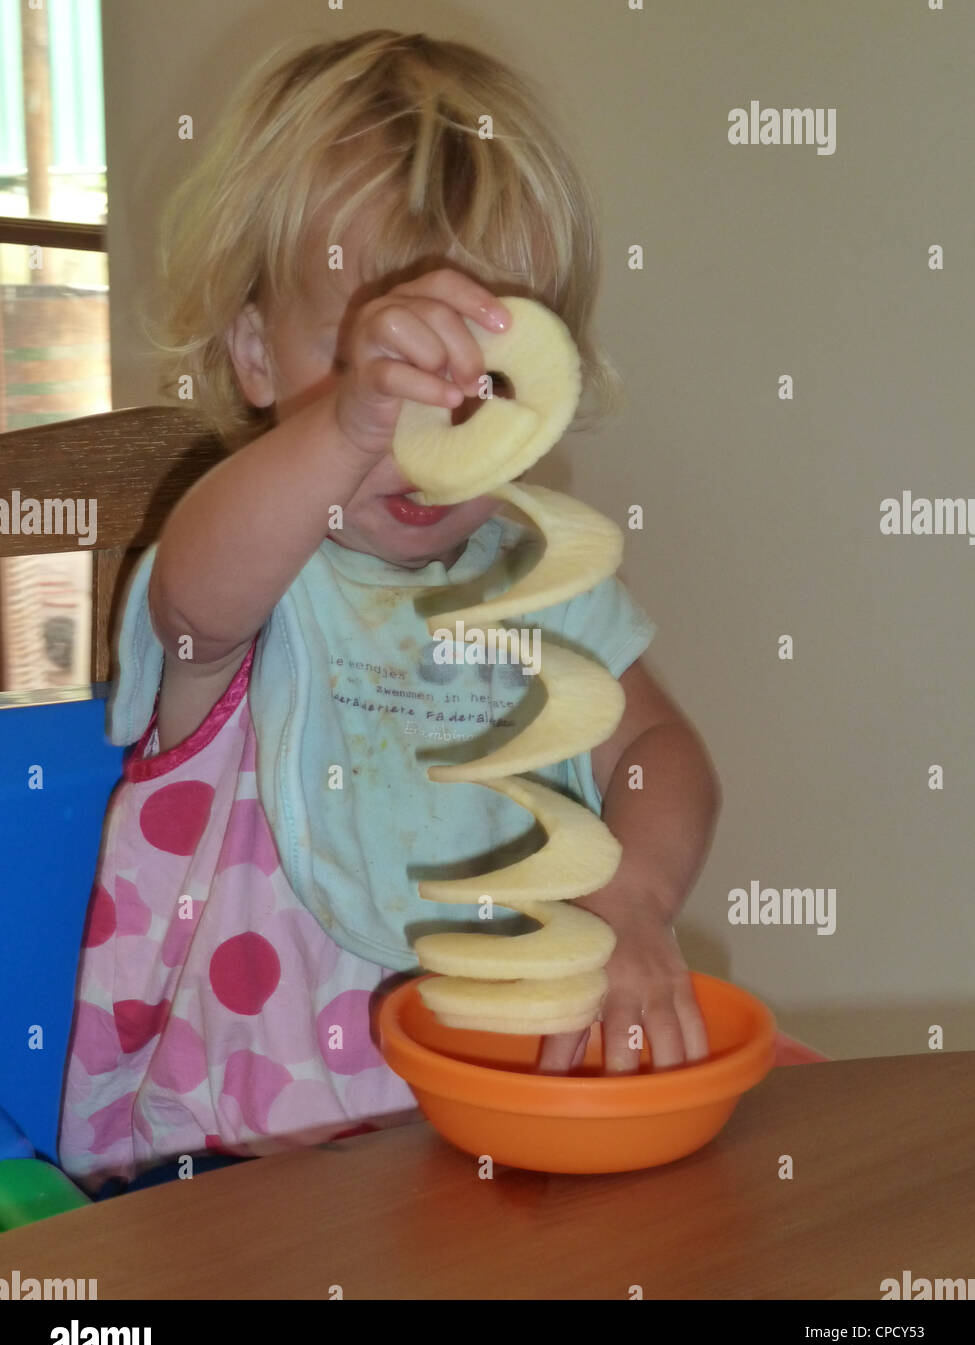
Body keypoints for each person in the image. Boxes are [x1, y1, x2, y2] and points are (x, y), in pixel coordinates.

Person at [57, 29, 722, 1201]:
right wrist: (345, 429)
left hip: (509, 1134)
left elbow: (662, 752)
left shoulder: (540, 586)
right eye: (381, 364)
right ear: (258, 353)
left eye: (483, 377)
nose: (433, 417)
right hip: (238, 1167)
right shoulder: (258, 569)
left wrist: (631, 898)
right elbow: (195, 610)